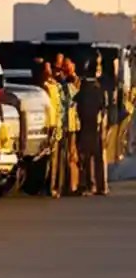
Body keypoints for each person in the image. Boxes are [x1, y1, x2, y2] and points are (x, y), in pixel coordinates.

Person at [76, 58, 109, 196]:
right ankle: (100, 186)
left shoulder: (84, 87)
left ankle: (91, 185)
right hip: (96, 124)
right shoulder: (98, 86)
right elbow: (103, 106)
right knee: (98, 155)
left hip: (87, 125)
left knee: (88, 156)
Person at [33, 59, 62, 197]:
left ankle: (52, 186)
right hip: (46, 125)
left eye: (49, 69)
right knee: (45, 158)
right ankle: (43, 186)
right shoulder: (40, 87)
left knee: (53, 159)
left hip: (55, 124)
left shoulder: (53, 86)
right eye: (46, 69)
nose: (48, 72)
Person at [57, 58, 81, 196]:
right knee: (64, 155)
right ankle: (65, 185)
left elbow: (72, 95)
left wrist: (65, 82)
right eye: (63, 66)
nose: (66, 68)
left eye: (67, 65)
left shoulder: (76, 81)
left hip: (73, 123)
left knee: (73, 155)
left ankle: (73, 185)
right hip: (64, 123)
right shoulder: (62, 82)